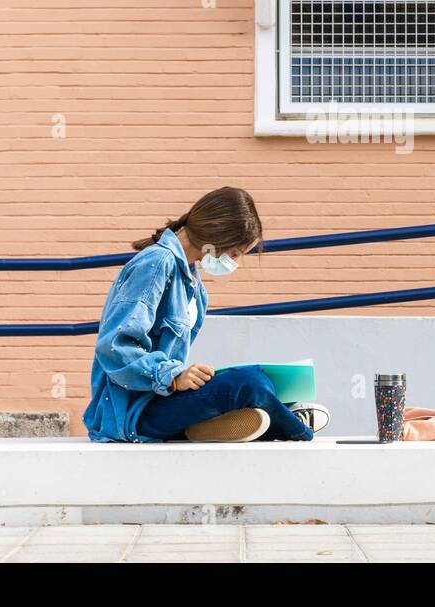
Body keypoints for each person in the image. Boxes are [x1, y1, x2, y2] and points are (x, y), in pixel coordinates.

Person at [82, 186, 328, 443]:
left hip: (164, 400)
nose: (234, 263)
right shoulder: (156, 263)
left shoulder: (194, 286)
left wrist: (185, 379)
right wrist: (173, 376)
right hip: (133, 413)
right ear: (218, 235)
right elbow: (114, 346)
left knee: (258, 374)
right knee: (248, 383)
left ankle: (229, 420)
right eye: (234, 254)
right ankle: (295, 426)